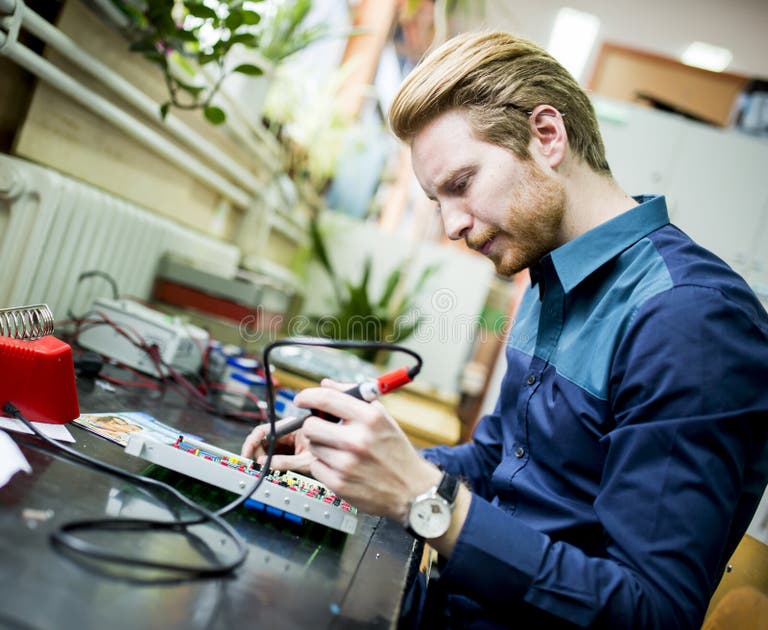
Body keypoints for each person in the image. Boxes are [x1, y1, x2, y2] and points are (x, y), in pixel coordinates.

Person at [242, 31, 768, 628]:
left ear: (547, 136)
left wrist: (421, 497)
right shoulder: (548, 276)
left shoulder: (690, 319)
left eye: (461, 185)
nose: (452, 225)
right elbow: (498, 459)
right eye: (437, 200)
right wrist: (363, 460)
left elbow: (651, 613)